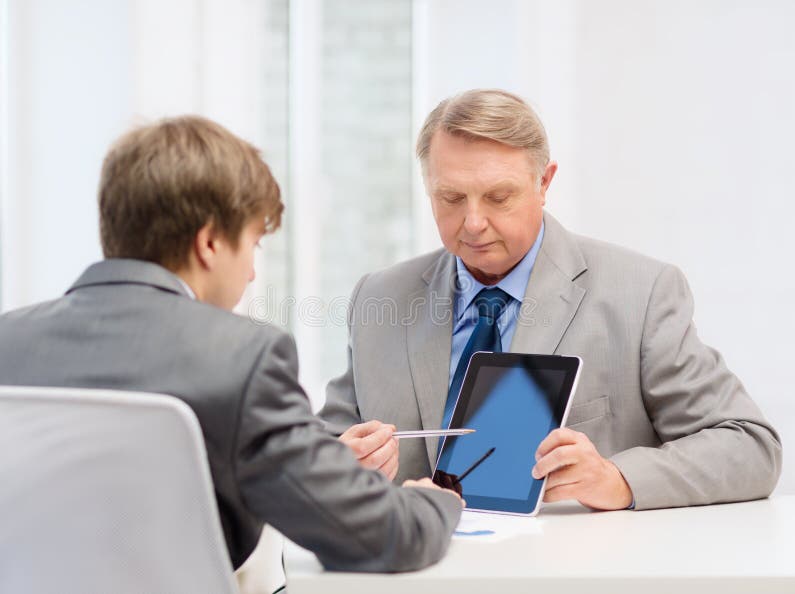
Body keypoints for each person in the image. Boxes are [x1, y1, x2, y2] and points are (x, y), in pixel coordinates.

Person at [0, 116, 462, 572]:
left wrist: (315, 460)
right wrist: (431, 501)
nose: (252, 272)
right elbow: (382, 537)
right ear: (209, 245)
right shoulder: (242, 359)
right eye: (253, 244)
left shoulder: (9, 342)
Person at [320, 89, 782, 511]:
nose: (473, 221)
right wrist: (339, 467)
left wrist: (617, 478)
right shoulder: (378, 299)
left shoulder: (641, 293)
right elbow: (313, 454)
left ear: (544, 183)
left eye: (499, 196)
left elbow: (749, 446)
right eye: (451, 197)